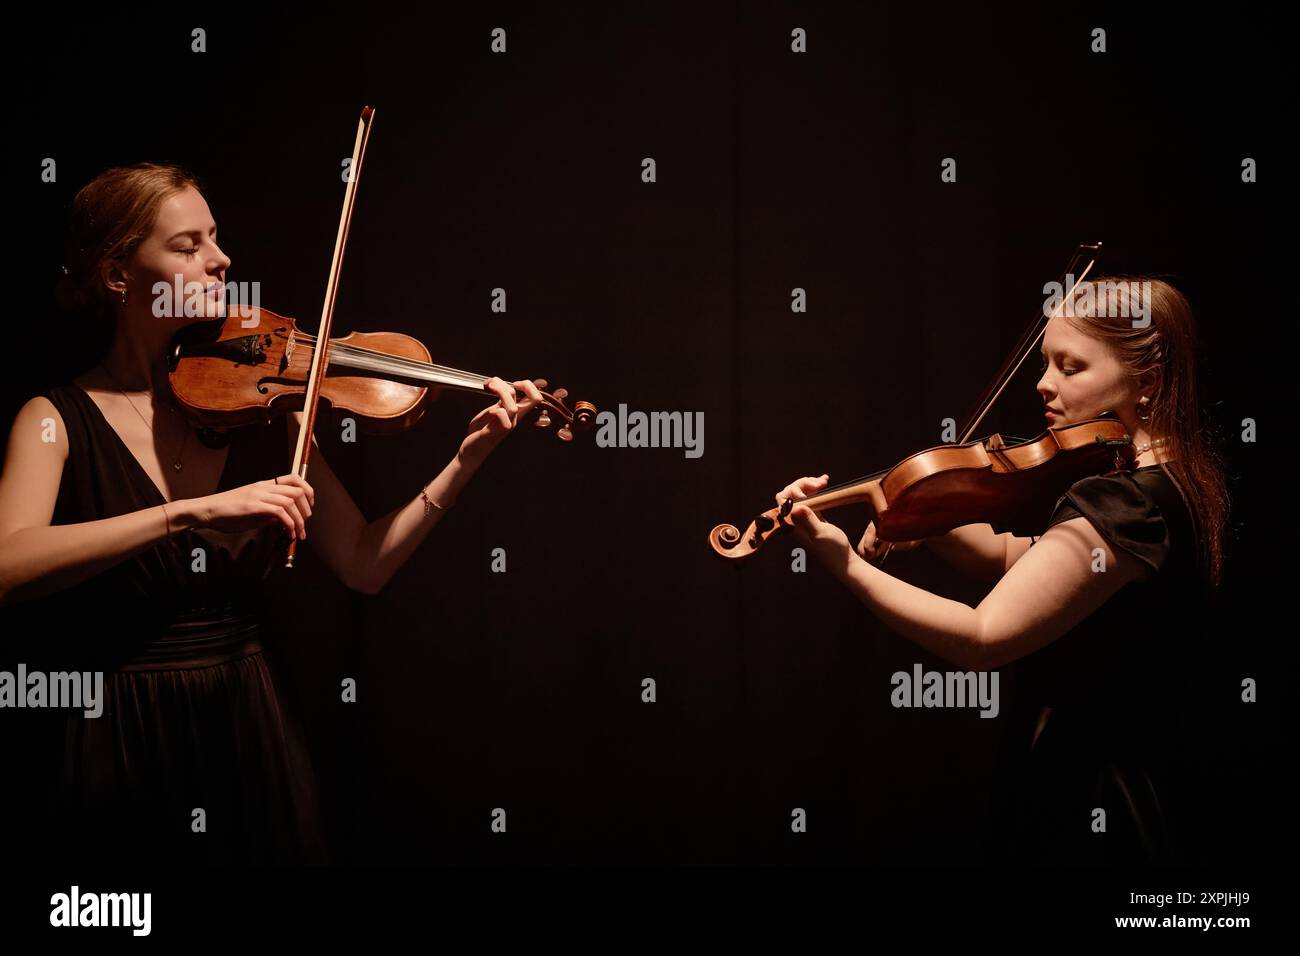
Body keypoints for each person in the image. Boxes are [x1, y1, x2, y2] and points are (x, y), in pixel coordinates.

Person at [0, 163, 546, 864]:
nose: (221, 259)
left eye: (216, 237)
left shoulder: (263, 411)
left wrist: (469, 457)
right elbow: (9, 566)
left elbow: (365, 563)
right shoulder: (54, 420)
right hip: (117, 733)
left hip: (243, 726)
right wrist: (187, 514)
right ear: (116, 276)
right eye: (188, 245)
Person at [777, 276, 1229, 865]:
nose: (1044, 385)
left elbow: (983, 637)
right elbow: (1017, 561)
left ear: (1146, 380)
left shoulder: (1128, 504)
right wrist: (926, 513)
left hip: (1090, 802)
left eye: (1071, 367)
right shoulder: (1173, 486)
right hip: (1125, 785)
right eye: (1046, 364)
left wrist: (842, 564)